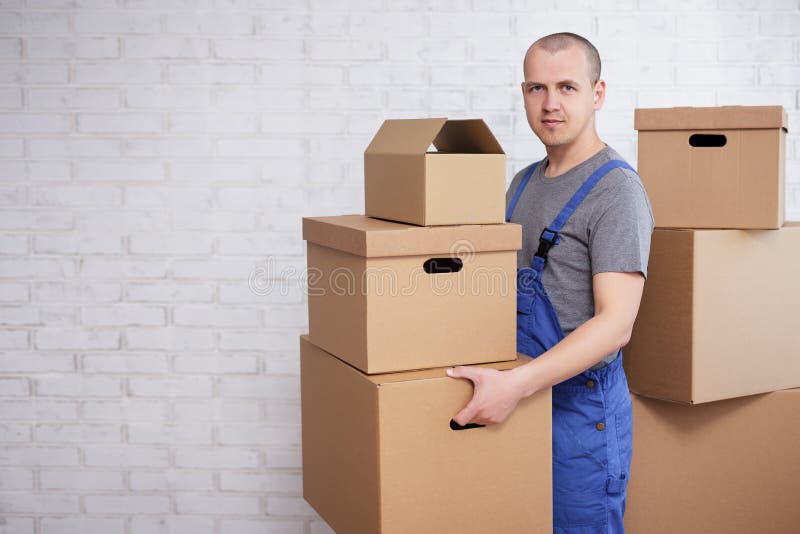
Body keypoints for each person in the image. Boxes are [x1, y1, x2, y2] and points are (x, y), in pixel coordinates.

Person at [446, 32, 654, 533]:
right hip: (516, 402)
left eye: (567, 87)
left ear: (597, 93)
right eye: (537, 88)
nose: (550, 104)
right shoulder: (520, 184)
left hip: (579, 418)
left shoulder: (616, 191)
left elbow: (616, 324)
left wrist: (514, 386)